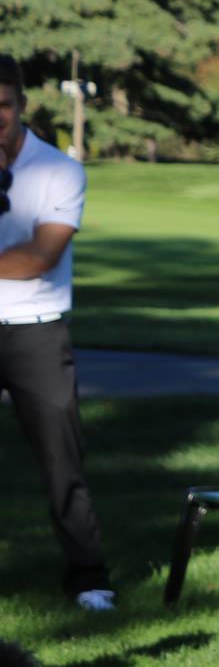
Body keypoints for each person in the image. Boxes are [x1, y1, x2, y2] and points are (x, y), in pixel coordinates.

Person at [0, 55, 112, 612]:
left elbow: (40, 255)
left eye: (2, 103)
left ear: (20, 104)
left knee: (61, 460)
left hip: (35, 333)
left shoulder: (58, 170)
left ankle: (89, 579)